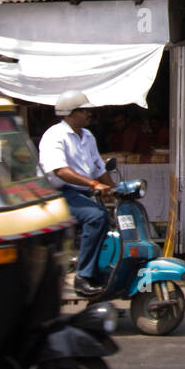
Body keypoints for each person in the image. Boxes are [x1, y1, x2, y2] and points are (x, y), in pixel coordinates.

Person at [38, 91, 115, 295]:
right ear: (70, 113)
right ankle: (83, 276)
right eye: (84, 110)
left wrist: (114, 189)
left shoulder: (88, 136)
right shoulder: (55, 135)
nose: (89, 114)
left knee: (109, 221)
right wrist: (94, 184)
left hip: (81, 193)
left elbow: (99, 168)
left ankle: (98, 273)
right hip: (58, 194)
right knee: (96, 217)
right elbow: (60, 171)